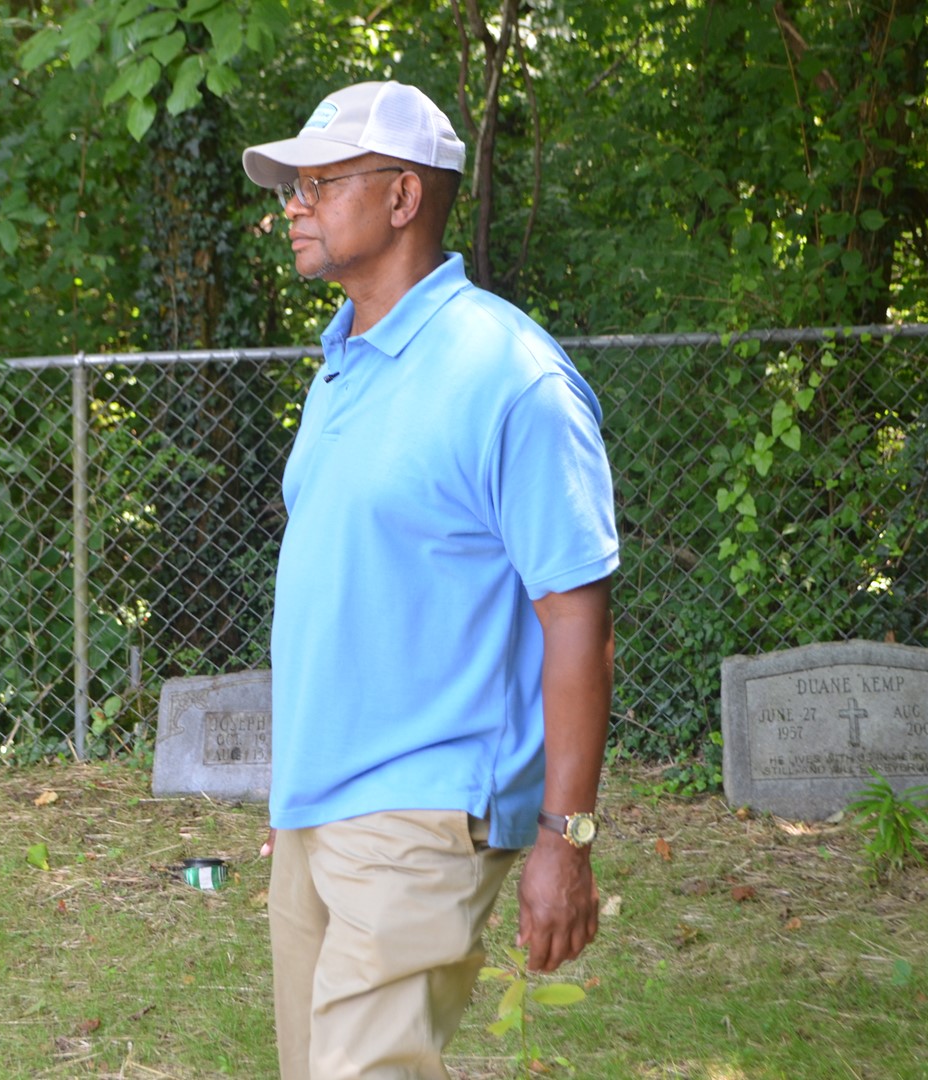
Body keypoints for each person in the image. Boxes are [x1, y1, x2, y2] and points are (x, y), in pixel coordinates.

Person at [241, 80, 620, 1078]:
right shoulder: (343, 363)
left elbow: (578, 622)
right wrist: (296, 803)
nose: (294, 204)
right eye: (293, 186)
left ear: (403, 197)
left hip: (425, 814)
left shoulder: (510, 376)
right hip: (318, 808)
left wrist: (565, 841)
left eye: (319, 183)